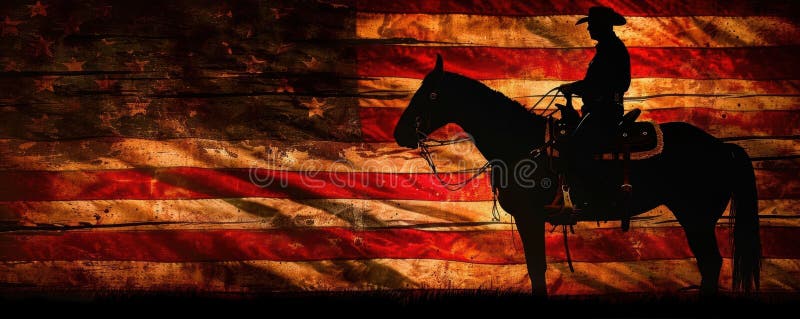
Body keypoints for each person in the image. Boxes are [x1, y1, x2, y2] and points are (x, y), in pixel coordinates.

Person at [558, 6, 631, 207]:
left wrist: (573, 87)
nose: (589, 29)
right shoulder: (609, 48)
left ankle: (590, 196)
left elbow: (599, 85)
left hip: (604, 112)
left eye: (591, 25)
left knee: (576, 146)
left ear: (601, 26)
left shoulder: (611, 50)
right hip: (600, 110)